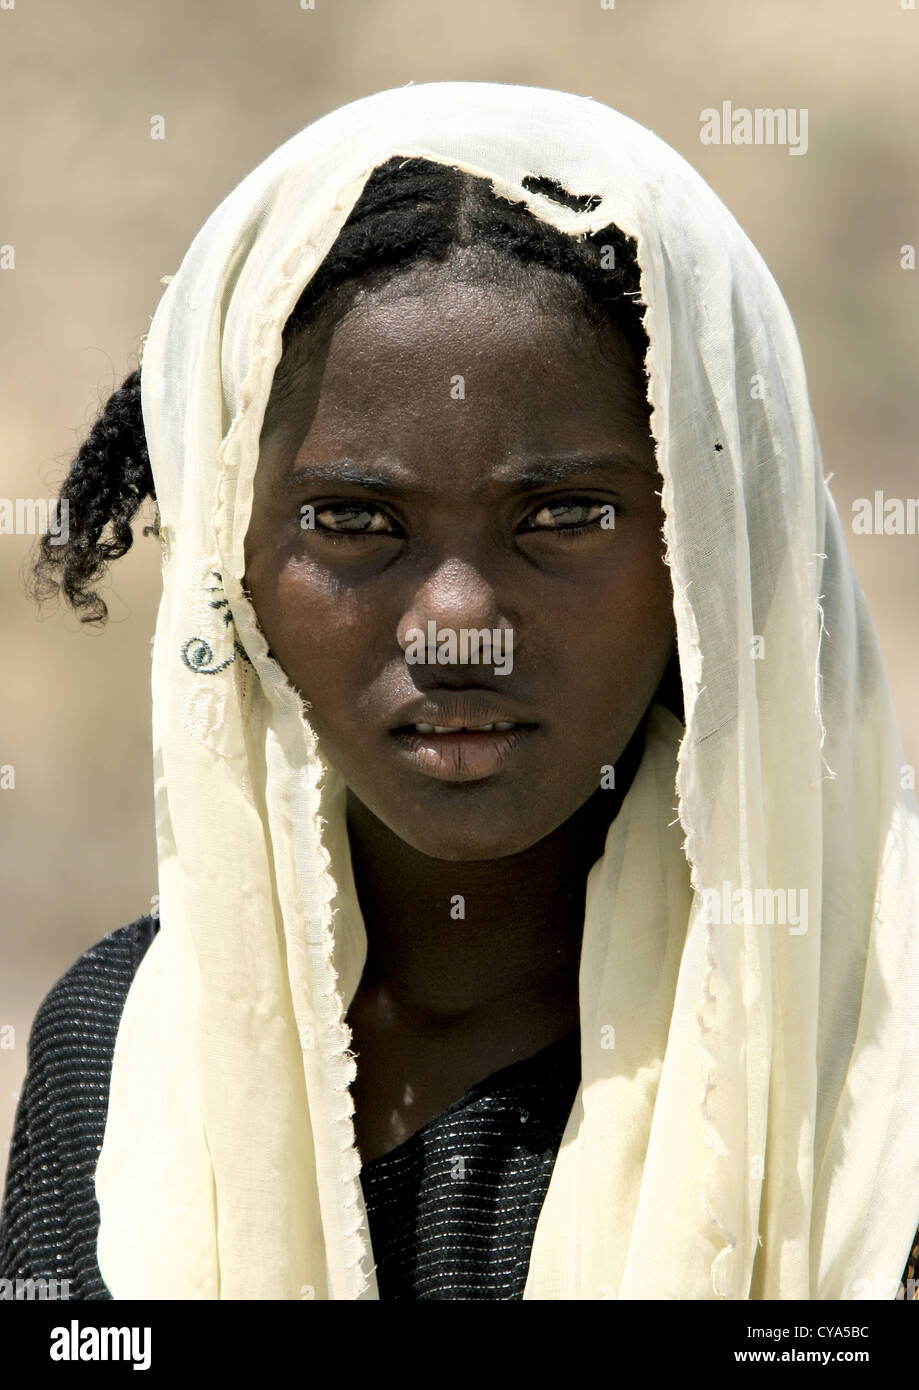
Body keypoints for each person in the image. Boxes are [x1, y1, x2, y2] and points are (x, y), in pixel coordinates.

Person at [3, 81, 918, 1301]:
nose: (457, 629)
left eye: (564, 516)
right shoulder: (121, 1060)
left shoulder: (883, 1060)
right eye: (351, 521)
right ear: (230, 557)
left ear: (714, 544)